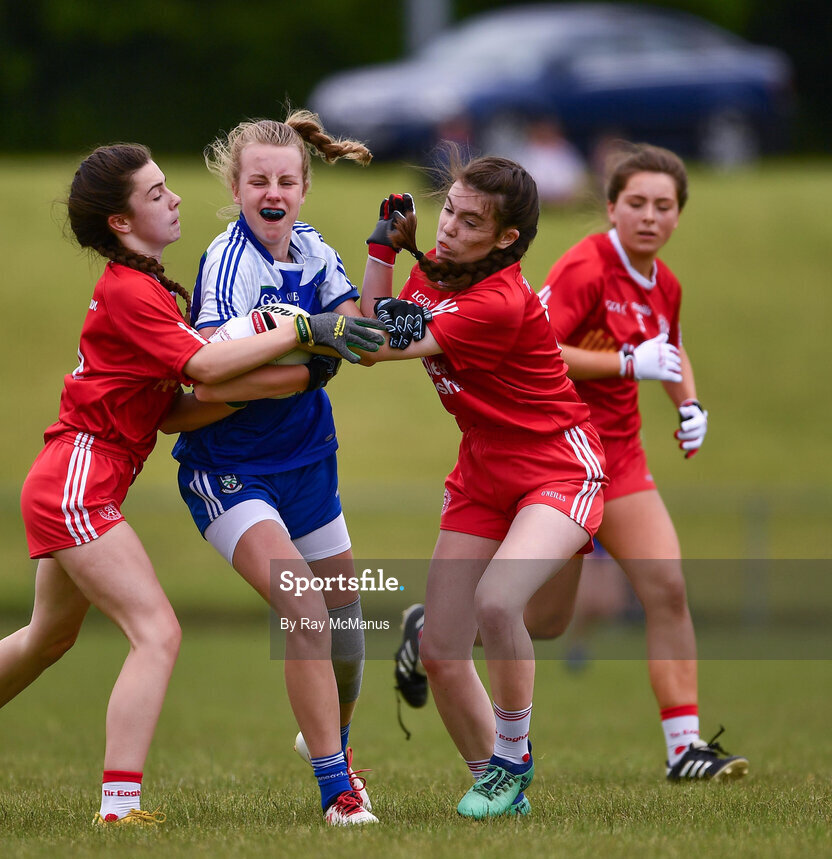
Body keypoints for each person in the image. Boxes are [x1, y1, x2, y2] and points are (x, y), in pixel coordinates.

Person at [0, 142, 380, 826]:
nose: (176, 198)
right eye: (157, 193)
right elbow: (208, 365)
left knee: (49, 636)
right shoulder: (134, 292)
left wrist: (301, 374)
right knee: (157, 632)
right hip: (79, 482)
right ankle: (118, 806)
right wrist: (303, 333)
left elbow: (178, 412)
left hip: (78, 480)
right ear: (121, 223)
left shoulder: (153, 288)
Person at [393, 143, 749, 784]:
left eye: (663, 206)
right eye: (635, 202)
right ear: (610, 208)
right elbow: (543, 343)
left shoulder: (663, 283)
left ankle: (684, 747)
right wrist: (623, 363)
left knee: (653, 590)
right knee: (530, 617)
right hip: (549, 446)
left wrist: (688, 403)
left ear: (678, 217)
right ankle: (452, 666)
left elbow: (668, 347)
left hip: (612, 456)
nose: (648, 216)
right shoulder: (586, 267)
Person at [360, 155, 608, 819]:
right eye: (450, 211)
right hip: (482, 470)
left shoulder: (498, 301)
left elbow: (376, 344)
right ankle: (495, 788)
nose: (449, 229)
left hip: (558, 466)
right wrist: (383, 249)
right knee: (442, 653)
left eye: (472, 222)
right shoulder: (433, 273)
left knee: (503, 605)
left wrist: (308, 330)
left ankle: (512, 759)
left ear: (504, 238)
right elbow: (373, 322)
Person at [170, 109, 391, 826]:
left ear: (303, 189)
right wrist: (304, 363)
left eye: (286, 180)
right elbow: (207, 383)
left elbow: (365, 337)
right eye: (258, 179)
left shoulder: (314, 250)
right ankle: (338, 790)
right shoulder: (228, 264)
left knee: (351, 638)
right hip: (230, 469)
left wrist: (383, 251)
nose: (274, 191)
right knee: (304, 609)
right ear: (236, 187)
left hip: (307, 463)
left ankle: (331, 744)